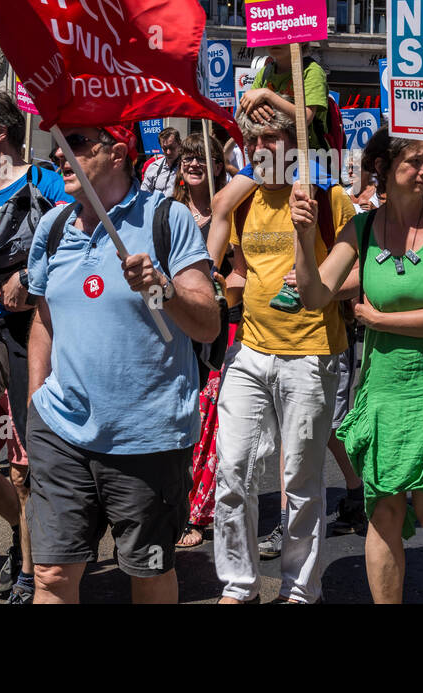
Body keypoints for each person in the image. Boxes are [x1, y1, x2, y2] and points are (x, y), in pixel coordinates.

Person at [24, 124, 218, 604]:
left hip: (146, 436)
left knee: (147, 574)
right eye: (59, 145)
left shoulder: (166, 219)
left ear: (117, 152)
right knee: (50, 575)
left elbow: (208, 324)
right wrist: (34, 406)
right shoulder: (53, 228)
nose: (60, 154)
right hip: (60, 430)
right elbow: (44, 322)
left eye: (78, 142)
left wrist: (160, 286)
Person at [291, 129, 423, 602]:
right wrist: (303, 235)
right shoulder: (362, 229)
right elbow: (313, 296)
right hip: (383, 387)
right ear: (385, 171)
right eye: (415, 162)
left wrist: (378, 318)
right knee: (384, 510)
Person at [213, 105, 354, 604]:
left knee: (300, 479)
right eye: (254, 142)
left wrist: (317, 277)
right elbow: (234, 267)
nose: (260, 150)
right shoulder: (245, 199)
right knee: (232, 469)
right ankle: (239, 585)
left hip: (310, 353)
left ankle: (299, 589)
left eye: (271, 140)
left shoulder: (326, 194)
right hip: (250, 350)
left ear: (295, 145)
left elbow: (356, 275)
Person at [0, 89, 73, 604]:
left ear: (0, 133)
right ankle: (21, 532)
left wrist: (30, 275)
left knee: (27, 469)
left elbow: (76, 244)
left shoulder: (44, 181)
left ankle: (30, 569)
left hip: (28, 340)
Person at [206, 45, 332, 269]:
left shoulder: (311, 71)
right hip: (269, 159)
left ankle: (297, 273)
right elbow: (241, 114)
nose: (275, 41)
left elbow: (306, 118)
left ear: (301, 41)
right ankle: (210, 273)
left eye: (284, 36)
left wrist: (266, 95)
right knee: (220, 201)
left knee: (301, 203)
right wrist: (251, 107)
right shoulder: (265, 72)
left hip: (307, 155)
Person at [172, 130, 229, 549]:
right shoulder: (167, 211)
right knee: (177, 415)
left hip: (218, 329)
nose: (193, 164)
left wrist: (226, 286)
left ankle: (197, 513)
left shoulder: (231, 211)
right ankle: (173, 503)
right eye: (187, 158)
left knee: (206, 420)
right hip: (173, 327)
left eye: (202, 158)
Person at [141, 126, 182, 196]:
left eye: (172, 147)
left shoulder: (187, 167)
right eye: (165, 148)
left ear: (179, 144)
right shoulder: (153, 167)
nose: (168, 152)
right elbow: (144, 194)